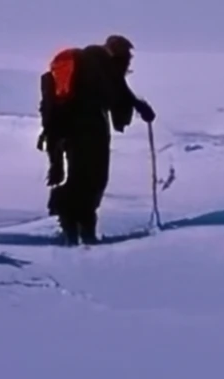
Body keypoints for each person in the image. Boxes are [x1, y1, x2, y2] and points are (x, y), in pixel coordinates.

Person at [39, 34, 155, 245]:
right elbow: (119, 91)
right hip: (89, 130)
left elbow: (116, 90)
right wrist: (140, 107)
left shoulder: (87, 63)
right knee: (92, 180)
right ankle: (83, 232)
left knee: (80, 177)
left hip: (66, 129)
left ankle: (72, 228)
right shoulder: (100, 62)